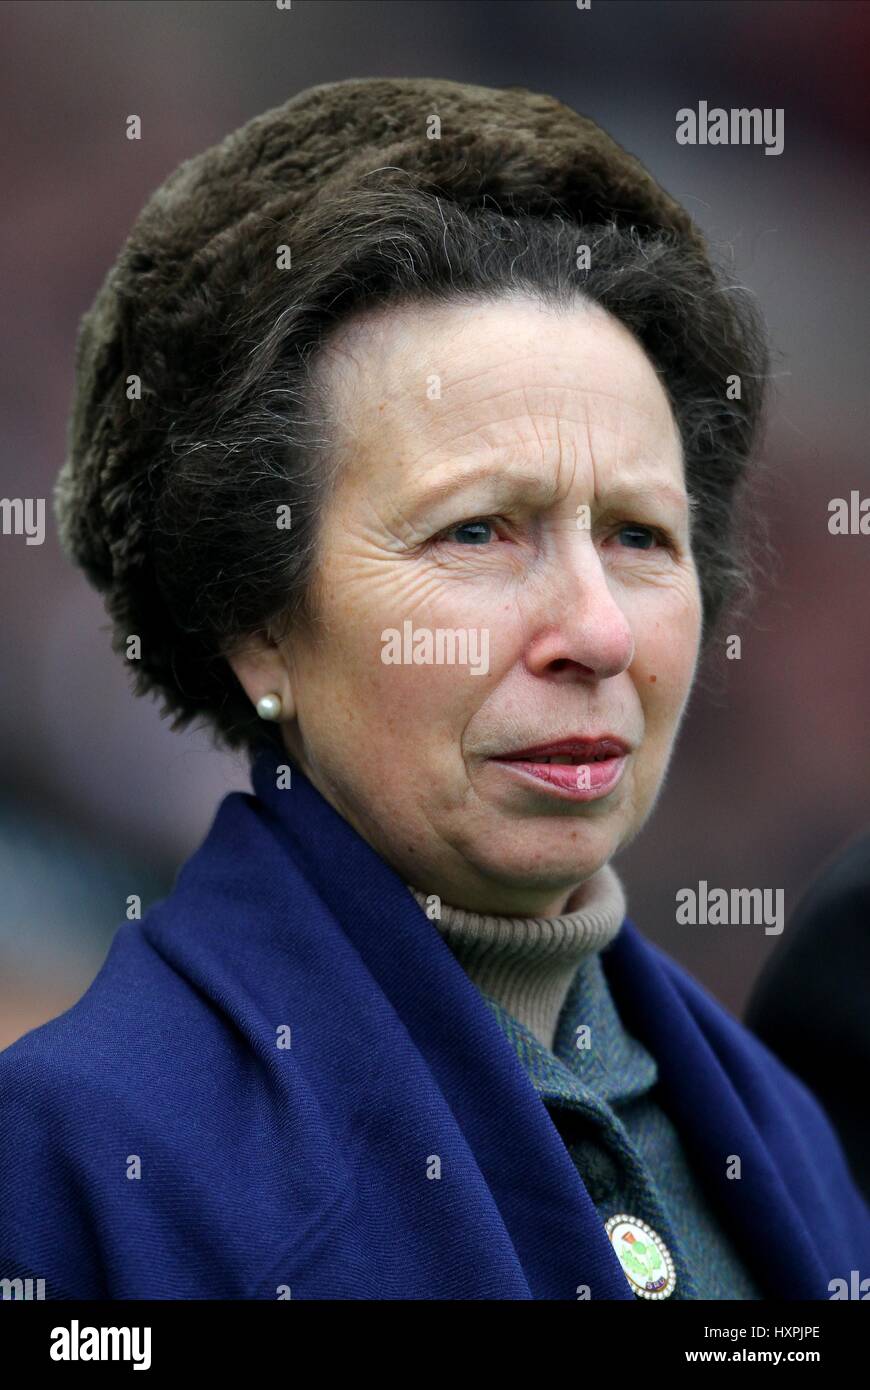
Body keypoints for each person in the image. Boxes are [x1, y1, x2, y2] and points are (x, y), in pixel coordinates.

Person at [1, 76, 867, 1301]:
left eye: (639, 537)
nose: (598, 630)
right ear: (259, 622)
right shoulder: (76, 1168)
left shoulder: (788, 1138)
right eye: (475, 533)